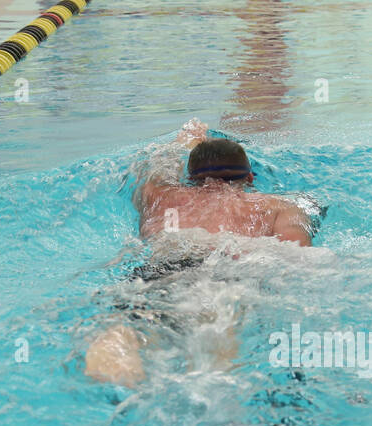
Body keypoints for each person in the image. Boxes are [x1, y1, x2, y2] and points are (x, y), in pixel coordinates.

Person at [85, 121, 315, 386]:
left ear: (191, 179)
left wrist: (188, 137)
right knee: (214, 360)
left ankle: (119, 371)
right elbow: (297, 256)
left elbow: (158, 162)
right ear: (250, 178)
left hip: (159, 272)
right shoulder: (278, 207)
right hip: (227, 275)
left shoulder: (159, 196)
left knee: (126, 327)